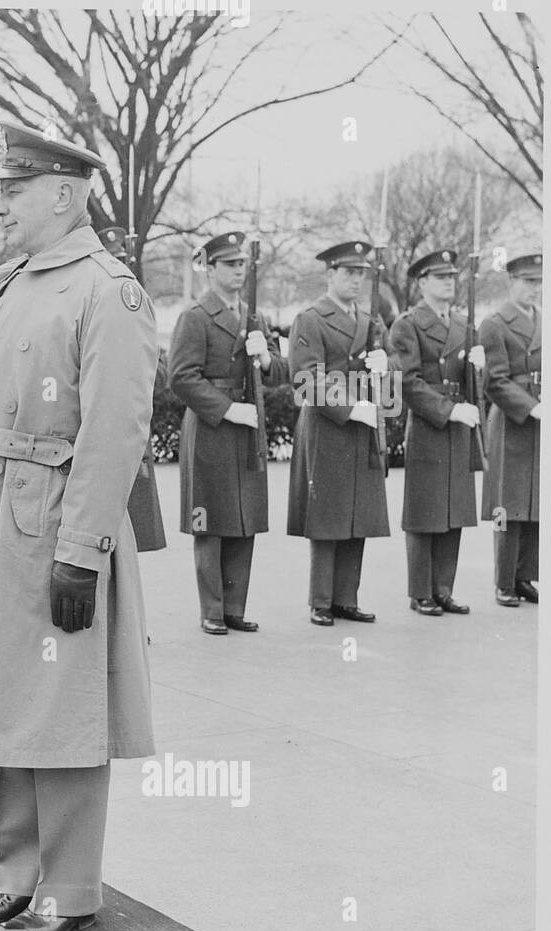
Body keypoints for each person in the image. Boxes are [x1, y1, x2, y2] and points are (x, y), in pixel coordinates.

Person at [0, 123, 159, 931]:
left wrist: (82, 553)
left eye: (13, 190)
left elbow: (116, 433)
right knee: (10, 701)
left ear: (62, 194)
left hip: (52, 516)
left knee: (63, 707)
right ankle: (17, 875)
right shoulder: (7, 281)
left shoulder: (105, 291)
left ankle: (70, 887)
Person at [170, 232, 288, 634]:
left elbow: (279, 376)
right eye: (230, 264)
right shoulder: (196, 316)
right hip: (213, 426)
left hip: (247, 424)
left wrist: (267, 357)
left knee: (244, 517)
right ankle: (213, 610)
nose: (238, 271)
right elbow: (181, 377)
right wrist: (227, 409)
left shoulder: (253, 317)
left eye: (242, 265)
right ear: (211, 269)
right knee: (213, 521)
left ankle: (235, 607)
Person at [287, 240, 391, 626]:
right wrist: (352, 408)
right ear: (330, 275)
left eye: (361, 273)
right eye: (348, 272)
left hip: (363, 428)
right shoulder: (311, 318)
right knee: (327, 516)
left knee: (357, 515)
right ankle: (321, 600)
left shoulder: (370, 322)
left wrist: (385, 364)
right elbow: (305, 378)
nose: (356, 280)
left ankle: (347, 598)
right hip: (329, 427)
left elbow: (395, 363)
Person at [387, 249, 485, 615]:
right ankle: (420, 591)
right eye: (440, 277)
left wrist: (480, 368)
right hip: (431, 423)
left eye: (452, 276)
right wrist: (448, 410)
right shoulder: (408, 324)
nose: (449, 282)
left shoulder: (465, 325)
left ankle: (443, 588)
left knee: (453, 509)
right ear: (422, 282)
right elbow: (407, 381)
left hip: (460, 422)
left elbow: (478, 384)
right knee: (425, 510)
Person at [97, 225, 166, 554]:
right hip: (96, 435)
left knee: (128, 545)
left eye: (122, 259)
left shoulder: (137, 307)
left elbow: (161, 376)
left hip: (129, 436)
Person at [480, 252, 541, 607]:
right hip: (512, 419)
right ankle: (504, 579)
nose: (535, 289)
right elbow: (495, 381)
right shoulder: (496, 323)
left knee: (534, 502)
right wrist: (532, 407)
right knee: (508, 504)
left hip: (539, 418)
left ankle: (524, 575)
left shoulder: (543, 319)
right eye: (528, 282)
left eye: (539, 282)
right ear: (511, 282)